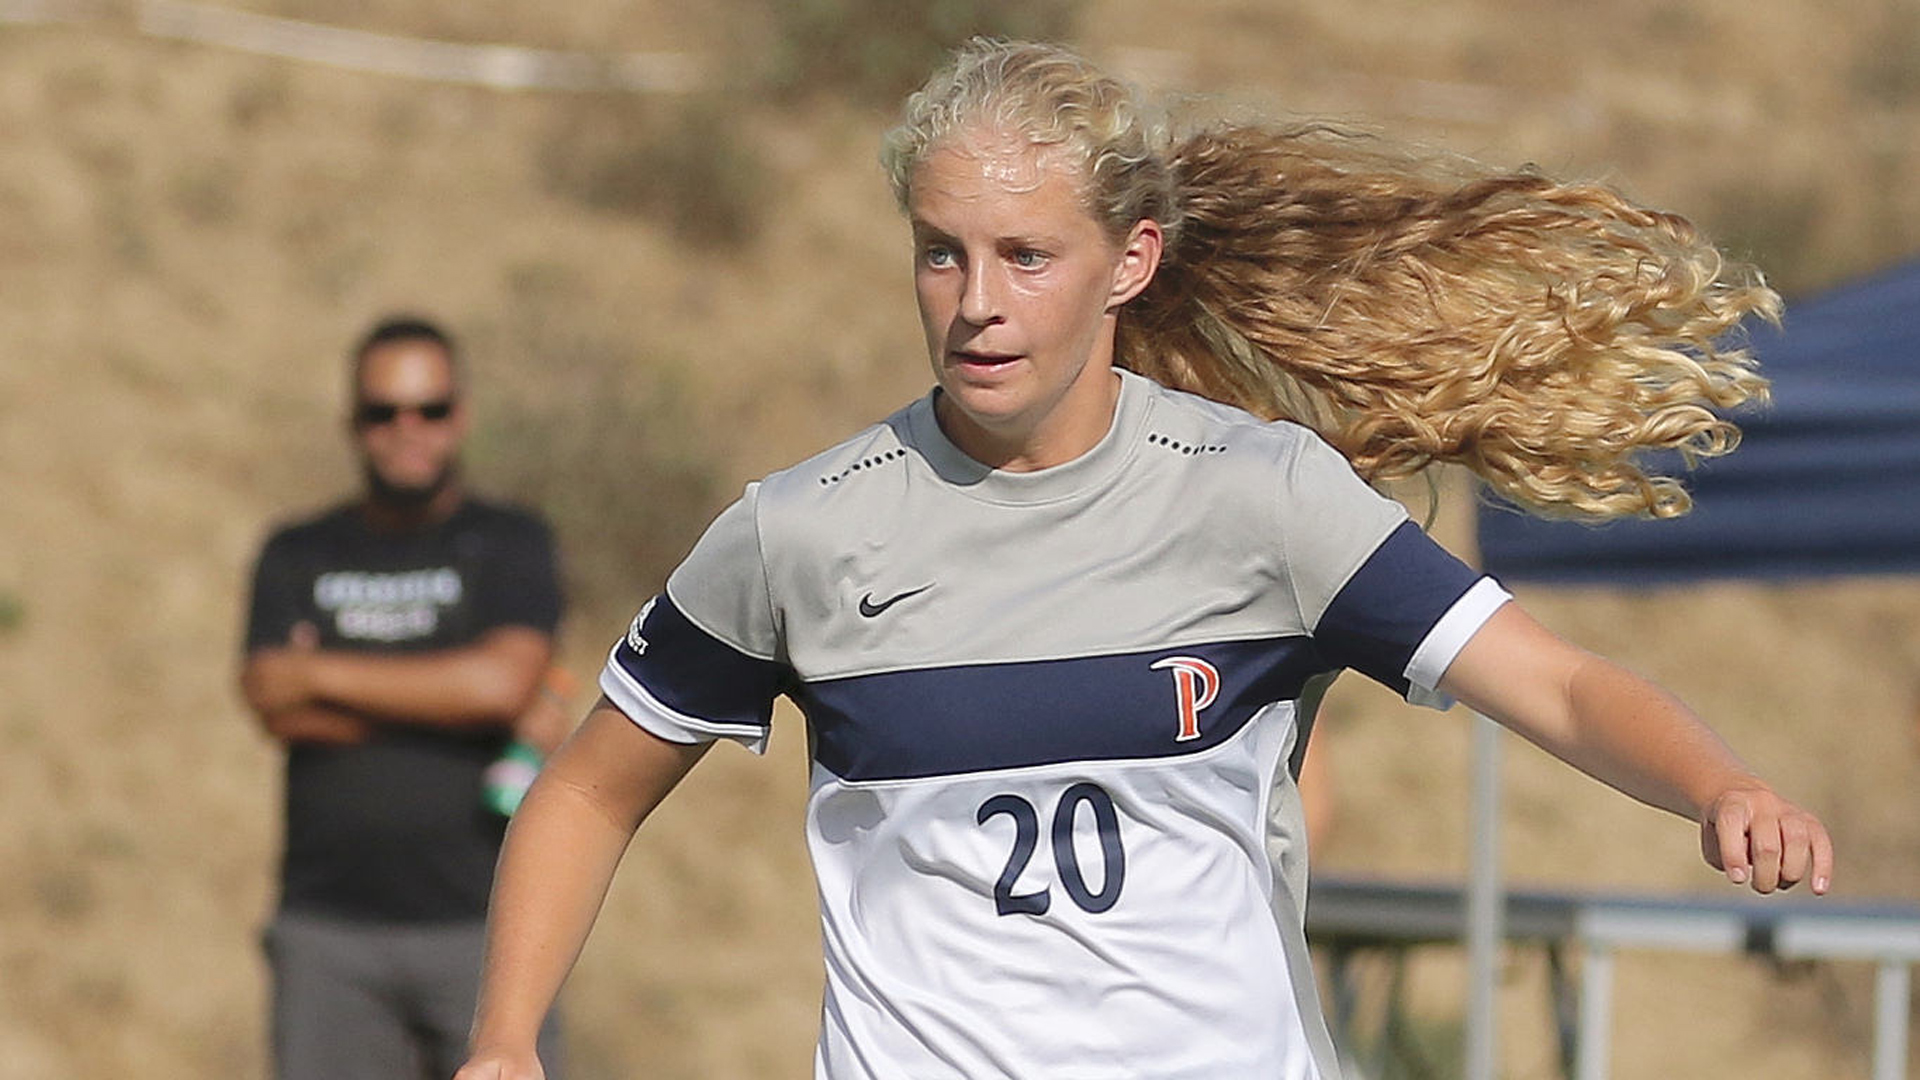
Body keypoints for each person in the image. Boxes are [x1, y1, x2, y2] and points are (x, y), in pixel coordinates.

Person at [454, 40, 1833, 1080]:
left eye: (1025, 255)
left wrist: (1720, 786)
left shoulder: (1264, 497)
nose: (978, 302)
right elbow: (583, 793)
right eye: (942, 255)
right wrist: (507, 1039)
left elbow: (1564, 688)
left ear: (1130, 262)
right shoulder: (802, 530)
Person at [240, 317, 567, 1080]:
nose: (407, 430)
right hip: (328, 933)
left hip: (489, 930)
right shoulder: (296, 550)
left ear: (463, 414)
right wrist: (459, 699)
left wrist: (320, 674)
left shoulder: (510, 541)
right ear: (352, 423)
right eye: (382, 412)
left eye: (431, 408)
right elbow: (267, 698)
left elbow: (505, 683)